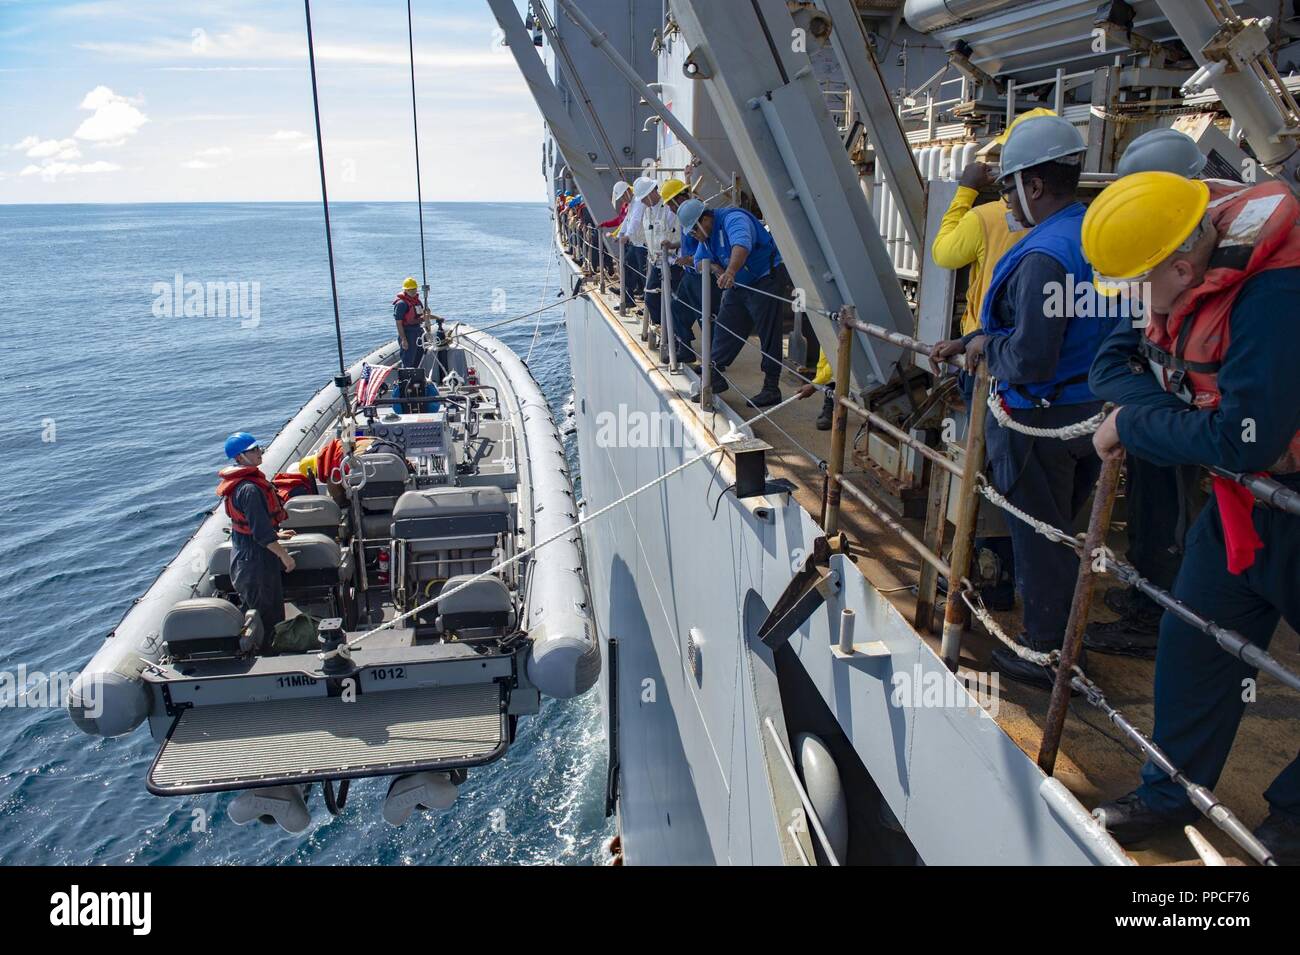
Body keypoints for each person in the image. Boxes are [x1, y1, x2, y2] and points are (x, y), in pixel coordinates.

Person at [1082, 171, 1300, 862]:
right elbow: (1112, 362)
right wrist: (1160, 414)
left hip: (1284, 495)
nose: (1132, 304)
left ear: (1182, 266)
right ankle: (1172, 787)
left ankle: (1294, 816)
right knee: (1195, 645)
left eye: (1136, 287)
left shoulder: (1275, 297)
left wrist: (1137, 425)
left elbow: (1249, 437)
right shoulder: (1182, 260)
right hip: (1246, 507)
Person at [930, 115, 1119, 687]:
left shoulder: (1043, 257)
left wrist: (982, 348)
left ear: (1034, 185)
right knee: (1063, 530)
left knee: (1040, 535)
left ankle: (1047, 655)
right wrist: (974, 340)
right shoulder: (1095, 236)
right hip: (1093, 413)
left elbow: (1032, 356)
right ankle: (1059, 639)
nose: (1007, 200)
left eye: (1010, 187)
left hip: (1039, 418)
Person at [1086, 127, 1216, 657]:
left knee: (1178, 524)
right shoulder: (1161, 286)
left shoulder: (1242, 292)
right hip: (1172, 424)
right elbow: (1108, 365)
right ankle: (1148, 601)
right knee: (1154, 513)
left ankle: (1157, 616)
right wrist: (1168, 413)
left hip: (1212, 446)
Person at [678, 198, 792, 407]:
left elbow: (742, 244)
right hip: (738, 285)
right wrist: (716, 269)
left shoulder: (733, 219)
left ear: (705, 219)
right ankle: (714, 378)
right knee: (725, 328)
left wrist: (730, 271)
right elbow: (698, 261)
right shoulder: (706, 237)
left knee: (768, 333)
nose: (693, 235)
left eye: (694, 230)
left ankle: (771, 387)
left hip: (765, 279)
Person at [217, 432, 297, 648]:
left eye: (257, 448)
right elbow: (261, 535)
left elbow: (248, 527)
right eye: (253, 450)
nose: (258, 452)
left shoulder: (243, 486)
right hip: (255, 561)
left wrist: (276, 535)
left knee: (265, 606)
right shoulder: (250, 489)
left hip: (246, 553)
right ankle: (272, 654)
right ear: (240, 457)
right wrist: (285, 556)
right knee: (267, 613)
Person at [640, 179, 683, 336]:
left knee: (674, 302)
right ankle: (662, 328)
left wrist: (672, 246)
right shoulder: (648, 211)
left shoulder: (668, 209)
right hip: (656, 262)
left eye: (645, 197)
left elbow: (677, 231)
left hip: (673, 263)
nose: (644, 201)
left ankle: (673, 336)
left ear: (652, 192)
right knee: (651, 297)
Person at [393, 277, 428, 369]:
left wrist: (427, 314)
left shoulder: (417, 301)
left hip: (418, 331)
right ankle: (407, 380)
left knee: (419, 357)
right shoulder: (401, 304)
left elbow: (420, 315)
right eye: (410, 290)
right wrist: (404, 339)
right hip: (408, 333)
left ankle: (418, 380)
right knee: (408, 361)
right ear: (405, 290)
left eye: (414, 289)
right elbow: (398, 323)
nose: (413, 291)